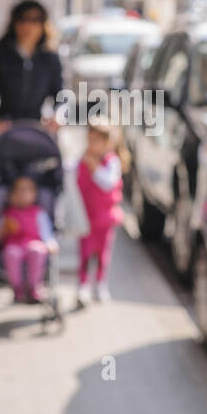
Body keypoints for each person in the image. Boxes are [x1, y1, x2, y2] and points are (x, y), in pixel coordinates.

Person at [0, 0, 63, 136]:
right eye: (23, 19)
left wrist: (57, 115)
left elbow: (61, 95)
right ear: (14, 23)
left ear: (43, 25)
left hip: (39, 129)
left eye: (35, 20)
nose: (28, 26)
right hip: (6, 129)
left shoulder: (50, 58)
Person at [76, 123, 125, 305]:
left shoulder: (112, 162)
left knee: (102, 253)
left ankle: (100, 283)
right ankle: (83, 285)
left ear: (107, 143)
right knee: (85, 253)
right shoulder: (82, 160)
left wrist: (93, 167)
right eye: (89, 140)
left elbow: (108, 183)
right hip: (85, 217)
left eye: (95, 141)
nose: (91, 145)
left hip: (104, 218)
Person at [0, 175, 58, 303]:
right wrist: (2, 231)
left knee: (37, 250)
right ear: (11, 196)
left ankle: (34, 286)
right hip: (13, 244)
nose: (23, 194)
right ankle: (17, 288)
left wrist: (51, 244)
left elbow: (46, 234)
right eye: (19, 190)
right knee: (11, 253)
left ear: (34, 194)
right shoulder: (7, 214)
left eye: (27, 190)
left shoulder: (39, 213)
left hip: (33, 243)